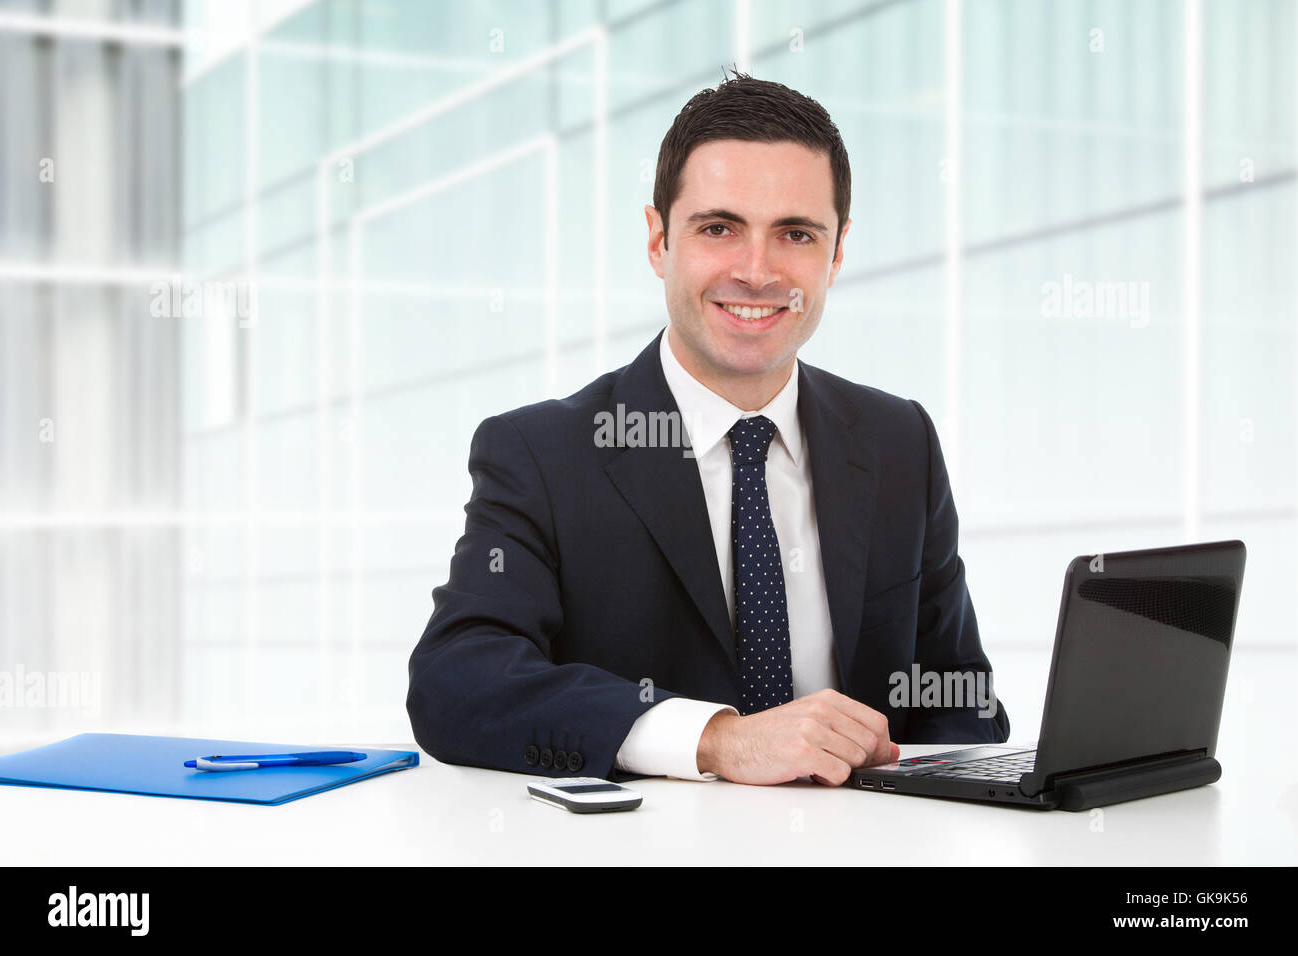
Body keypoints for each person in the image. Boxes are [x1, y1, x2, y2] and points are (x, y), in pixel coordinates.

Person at [407, 70, 1009, 786]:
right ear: (659, 240)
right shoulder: (541, 454)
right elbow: (457, 682)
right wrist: (715, 740)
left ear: (837, 253)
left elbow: (959, 697)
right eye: (719, 228)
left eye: (795, 233)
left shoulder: (899, 441)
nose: (756, 272)